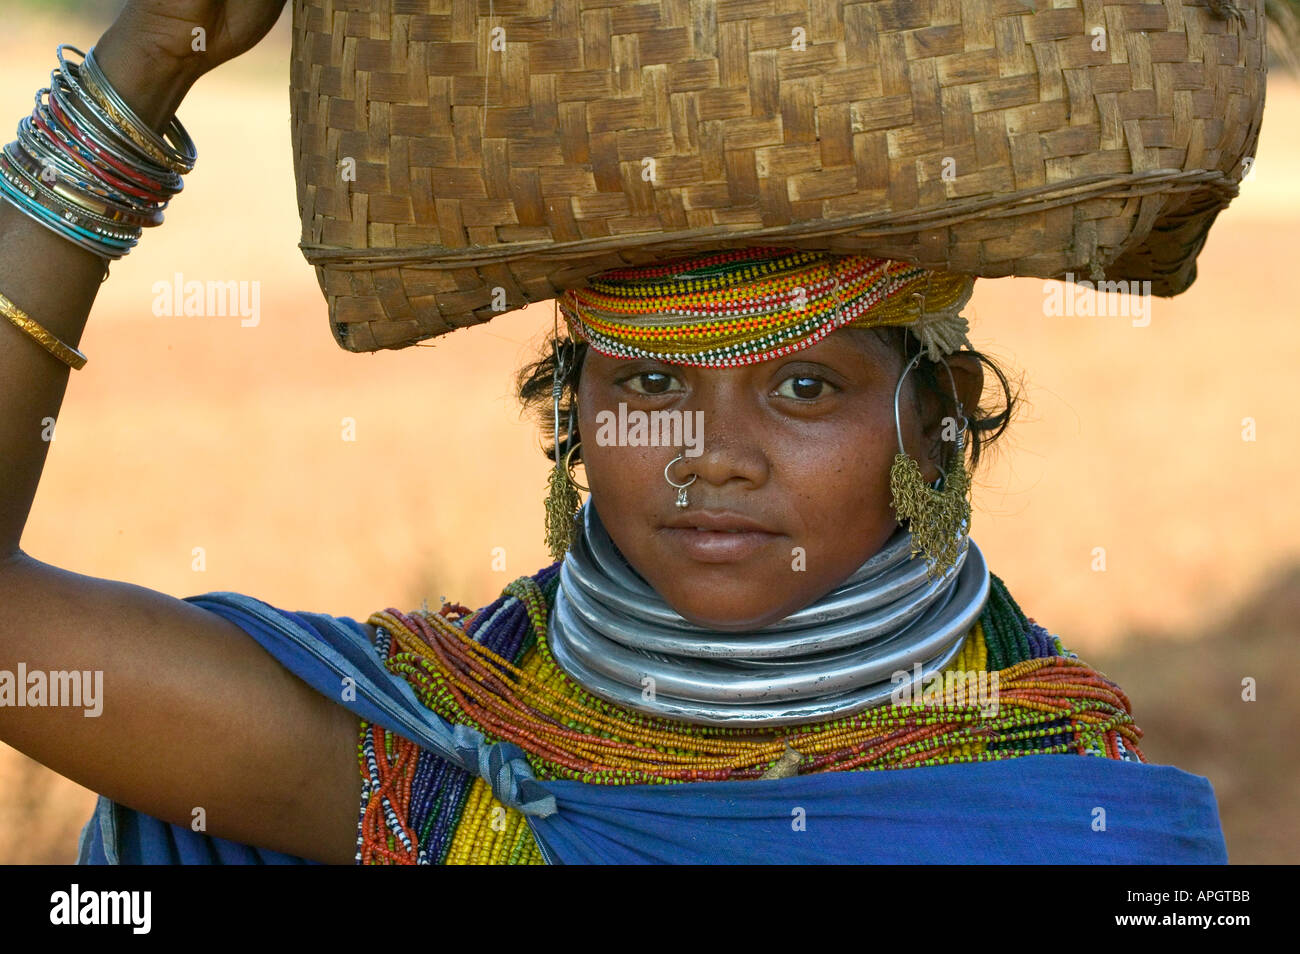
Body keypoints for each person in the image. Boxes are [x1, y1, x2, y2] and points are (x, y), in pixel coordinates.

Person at [0, 1, 1227, 865]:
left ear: (942, 424)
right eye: (646, 387)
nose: (712, 454)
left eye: (804, 389)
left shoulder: (1053, 802)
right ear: (567, 415)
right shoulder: (449, 767)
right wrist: (141, 73)